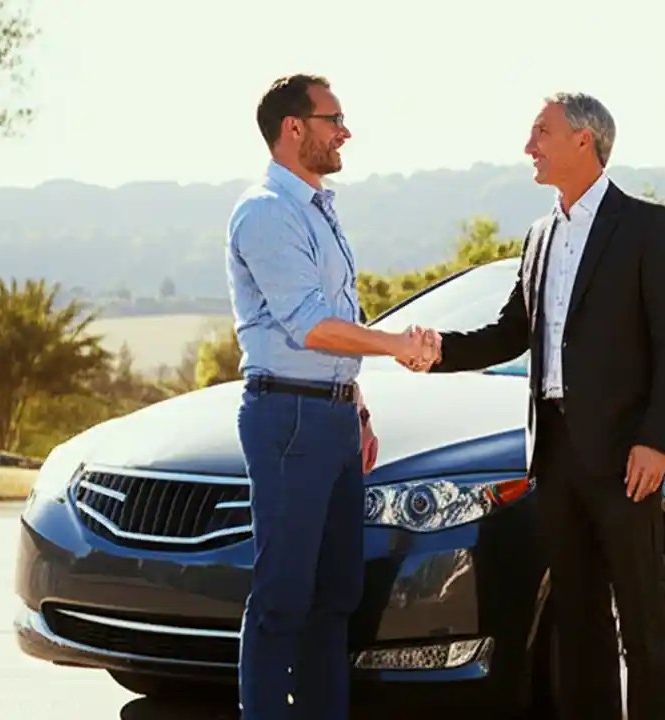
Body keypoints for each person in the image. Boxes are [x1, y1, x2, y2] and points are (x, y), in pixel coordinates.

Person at [403, 92, 665, 719]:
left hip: (625, 458)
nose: (529, 146)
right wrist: (434, 351)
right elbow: (510, 333)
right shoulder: (539, 236)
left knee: (644, 620)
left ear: (584, 141)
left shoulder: (647, 227)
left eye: (541, 132)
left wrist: (657, 439)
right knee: (578, 617)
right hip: (554, 454)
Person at [224, 73, 431, 720]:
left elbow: (336, 319)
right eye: (333, 118)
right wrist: (399, 344)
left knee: (335, 594)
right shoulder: (265, 212)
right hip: (288, 419)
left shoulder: (318, 207)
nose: (345, 131)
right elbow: (309, 323)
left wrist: (358, 404)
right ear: (294, 129)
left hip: (333, 417)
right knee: (283, 597)